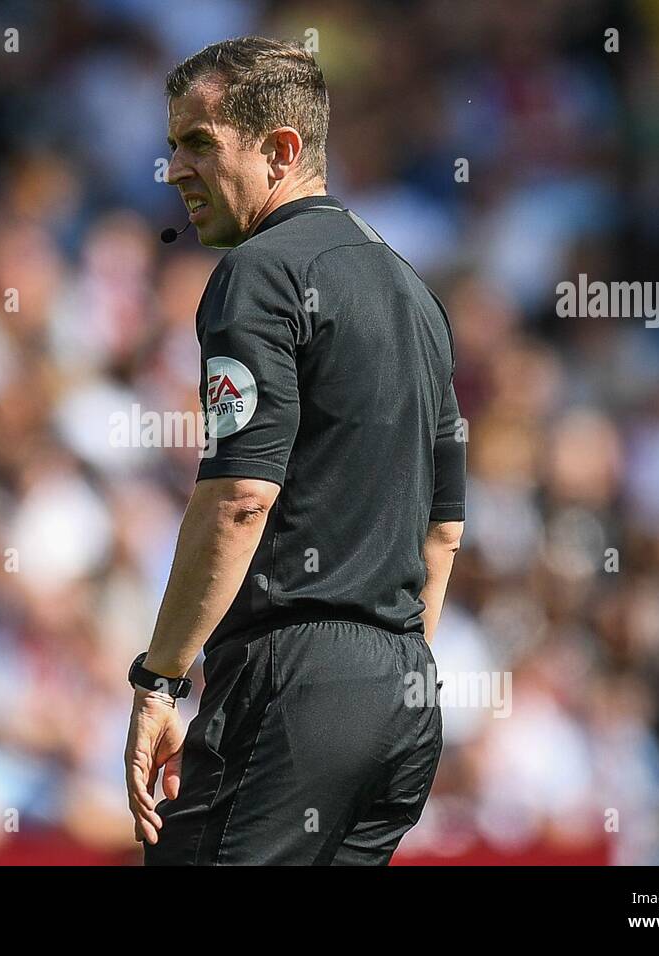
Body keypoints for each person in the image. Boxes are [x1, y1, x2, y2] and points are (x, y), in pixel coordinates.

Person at [123, 36, 466, 865]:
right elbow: (443, 534)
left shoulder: (261, 274)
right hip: (404, 693)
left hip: (295, 683)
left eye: (200, 143)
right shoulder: (414, 293)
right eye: (172, 145)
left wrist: (161, 679)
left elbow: (241, 498)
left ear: (280, 150)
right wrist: (385, 678)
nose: (174, 169)